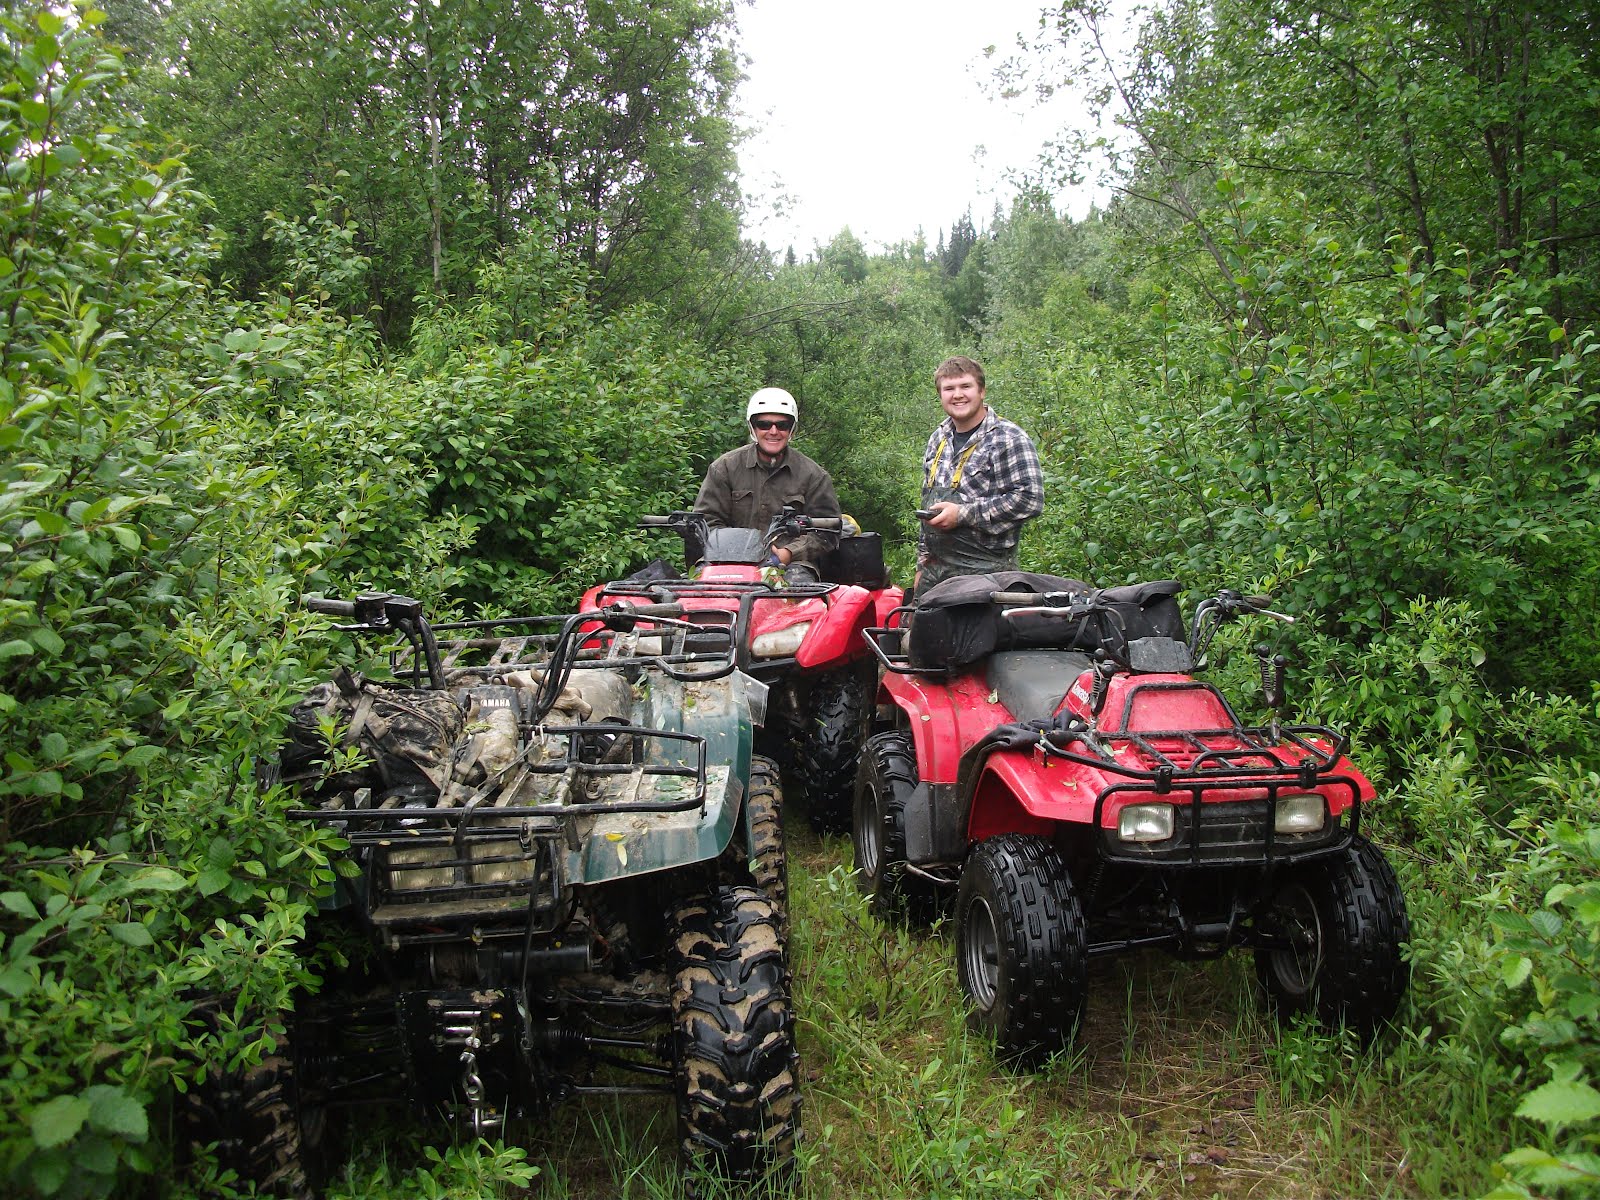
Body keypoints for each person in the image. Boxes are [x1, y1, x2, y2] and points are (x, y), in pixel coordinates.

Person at [916, 355, 1043, 591]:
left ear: (982, 391)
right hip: (935, 576)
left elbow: (1029, 500)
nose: (957, 394)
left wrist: (963, 514)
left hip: (989, 578)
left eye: (966, 386)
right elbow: (928, 508)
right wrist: (921, 568)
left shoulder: (1008, 437)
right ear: (940, 394)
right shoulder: (938, 439)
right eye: (949, 388)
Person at [694, 387, 841, 576]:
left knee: (799, 592)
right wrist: (733, 550)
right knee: (699, 592)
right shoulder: (724, 468)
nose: (773, 431)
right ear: (752, 427)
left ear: (792, 429)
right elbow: (705, 521)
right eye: (764, 424)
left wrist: (788, 553)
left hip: (791, 565)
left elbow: (826, 532)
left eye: (782, 425)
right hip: (724, 562)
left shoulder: (814, 475)